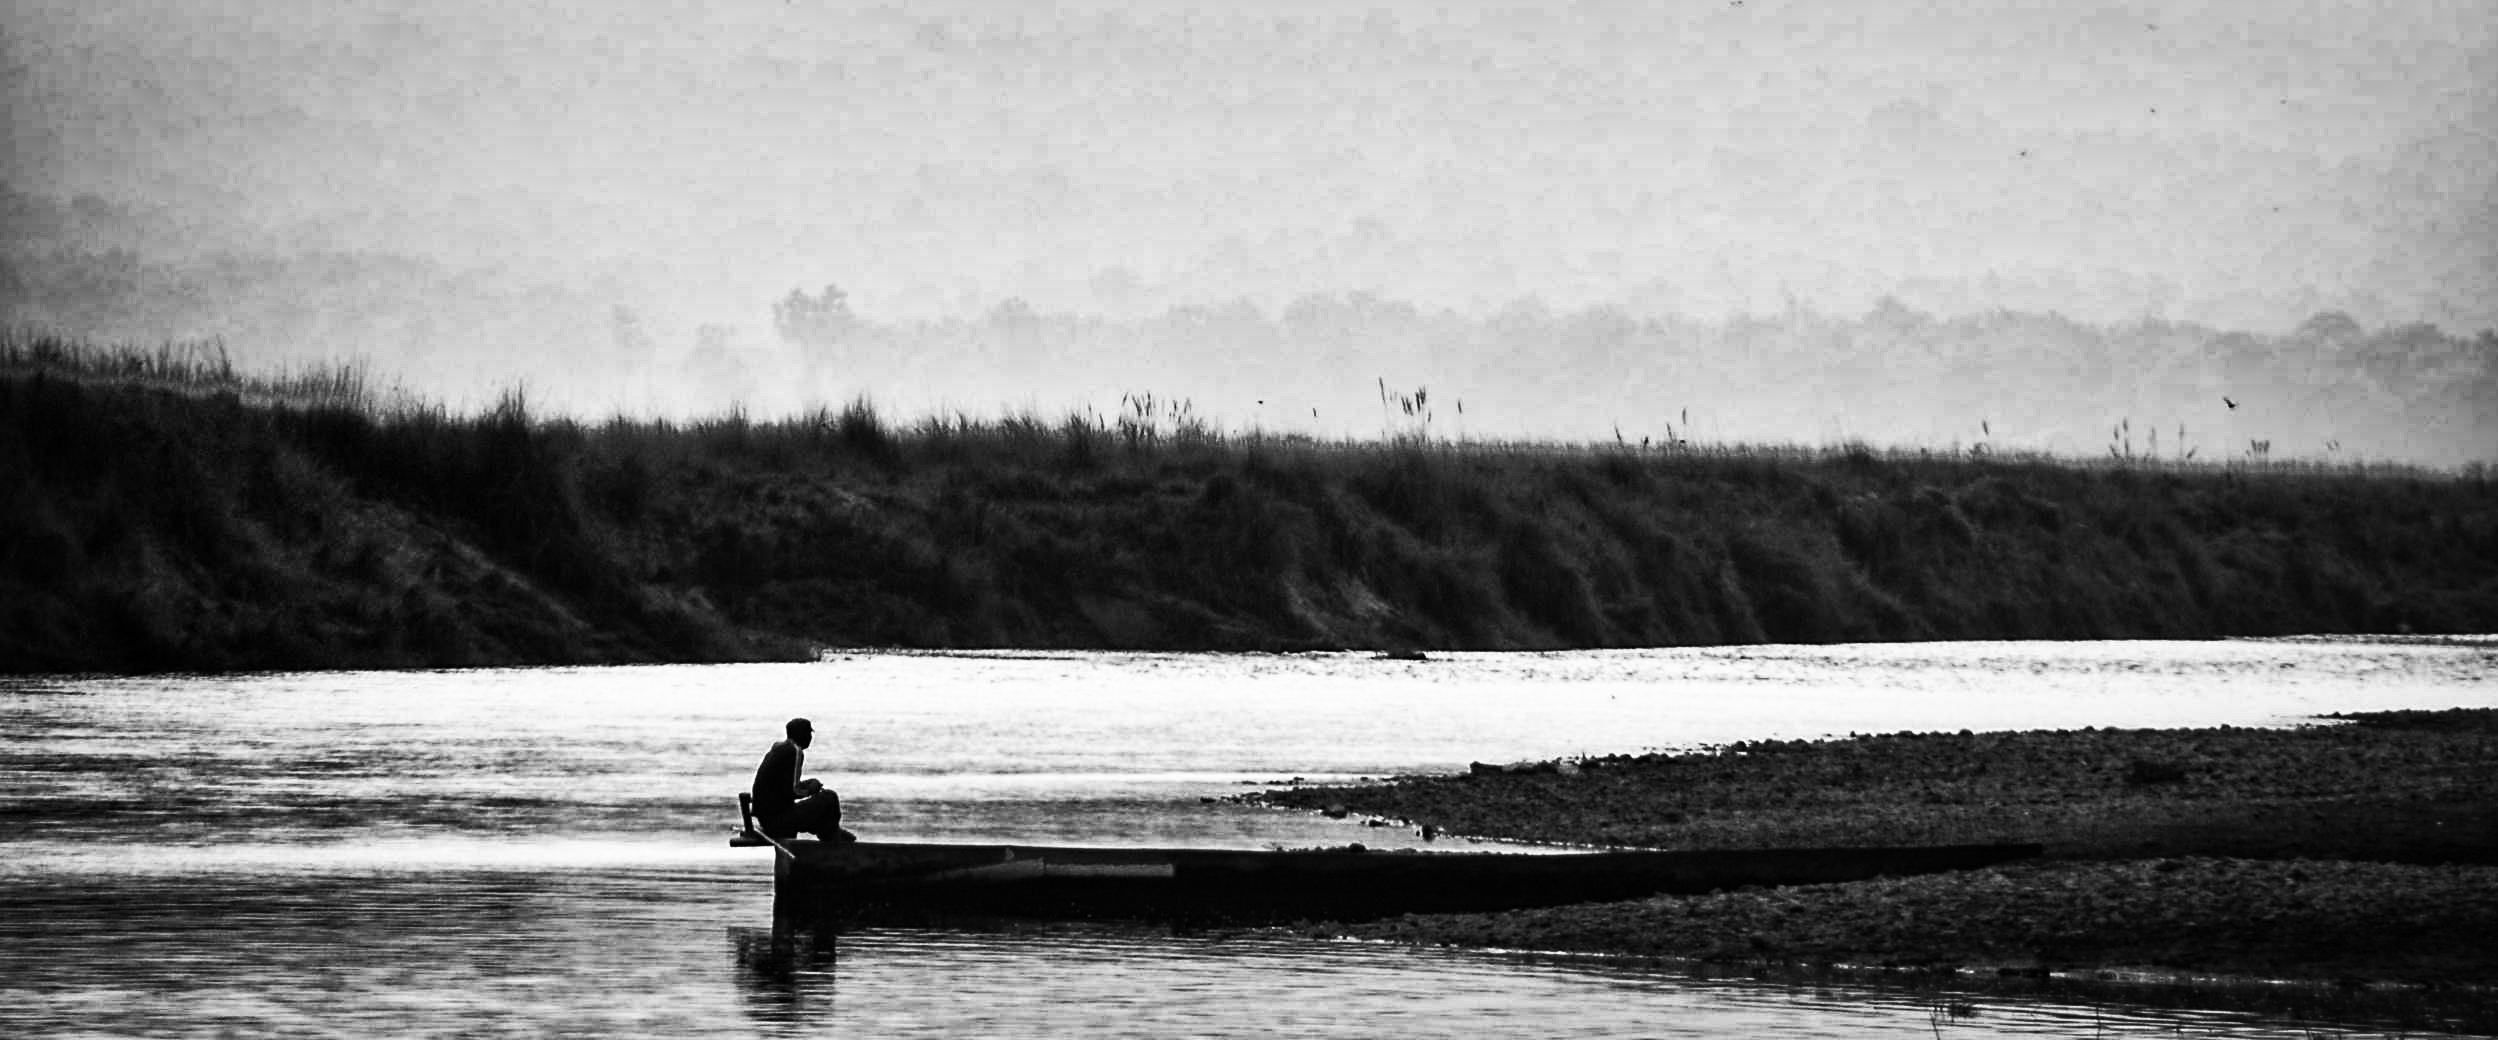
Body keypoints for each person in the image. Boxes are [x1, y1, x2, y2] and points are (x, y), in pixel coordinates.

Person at [752, 717, 855, 842]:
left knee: (822, 803)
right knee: (829, 797)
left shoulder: (779, 748)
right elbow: (793, 791)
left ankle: (831, 833)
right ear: (802, 735)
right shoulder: (795, 751)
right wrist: (811, 790)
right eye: (809, 734)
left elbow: (784, 787)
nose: (811, 738)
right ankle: (832, 834)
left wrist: (808, 783)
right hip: (778, 821)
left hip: (768, 818)